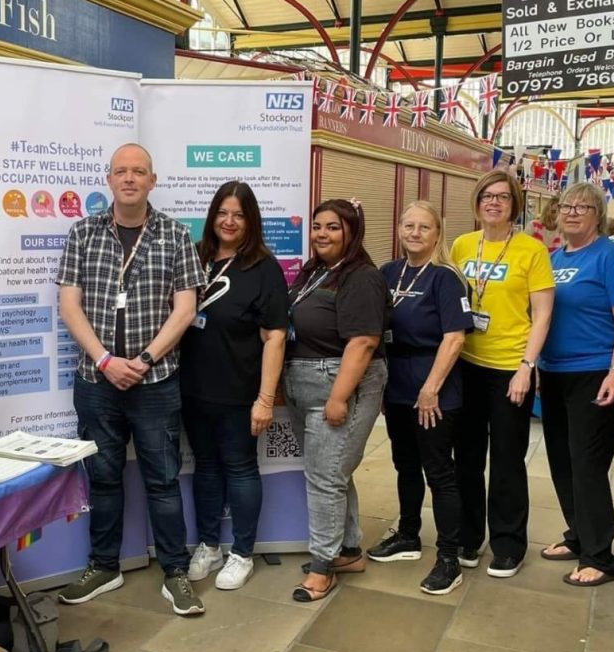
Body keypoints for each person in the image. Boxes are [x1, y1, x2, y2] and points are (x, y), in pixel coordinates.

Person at [56, 144, 206, 615]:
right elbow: (69, 305)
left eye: (138, 171)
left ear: (152, 180)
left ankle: (175, 571)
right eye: (121, 171)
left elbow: (186, 309)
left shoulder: (175, 235)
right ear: (109, 179)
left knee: (162, 480)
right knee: (103, 478)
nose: (129, 178)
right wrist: (105, 360)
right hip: (96, 381)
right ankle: (104, 566)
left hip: (155, 381)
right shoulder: (83, 233)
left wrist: (142, 360)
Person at [181, 181, 288, 591]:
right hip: (192, 389)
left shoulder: (263, 268)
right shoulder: (195, 257)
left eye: (239, 215)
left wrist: (265, 399)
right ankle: (209, 545)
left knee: (241, 468)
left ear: (250, 221)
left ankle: (242, 553)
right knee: (206, 467)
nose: (229, 221)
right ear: (212, 217)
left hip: (239, 391)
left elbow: (275, 337)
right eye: (223, 213)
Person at [282, 199, 389, 602]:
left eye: (333, 227)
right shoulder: (316, 271)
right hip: (304, 380)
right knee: (329, 473)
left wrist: (339, 397)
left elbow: (363, 342)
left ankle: (322, 568)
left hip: (340, 383)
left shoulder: (361, 276)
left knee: (325, 478)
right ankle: (347, 550)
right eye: (317, 226)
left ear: (351, 232)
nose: (322, 234)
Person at [451, 170, 555, 578]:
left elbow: (542, 314)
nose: (493, 203)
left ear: (515, 205)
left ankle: (508, 544)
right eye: (486, 196)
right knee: (467, 457)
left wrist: (527, 367)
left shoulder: (531, 250)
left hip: (510, 367)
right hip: (466, 366)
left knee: (508, 459)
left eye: (502, 197)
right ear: (476, 203)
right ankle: (468, 536)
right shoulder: (462, 245)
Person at [367, 202, 474, 595]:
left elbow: (455, 338)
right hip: (396, 382)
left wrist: (430, 389)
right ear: (398, 229)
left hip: (434, 385)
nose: (414, 233)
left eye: (424, 227)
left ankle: (448, 557)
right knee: (405, 465)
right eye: (408, 225)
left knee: (439, 472)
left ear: (437, 234)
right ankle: (408, 535)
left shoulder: (446, 278)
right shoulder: (388, 272)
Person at [538, 183, 614, 587]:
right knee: (562, 461)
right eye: (567, 206)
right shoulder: (552, 258)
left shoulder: (612, 259)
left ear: (598, 214)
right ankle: (578, 535)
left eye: (583, 207)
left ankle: (600, 556)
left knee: (588, 465)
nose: (572, 212)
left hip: (596, 372)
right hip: (554, 371)